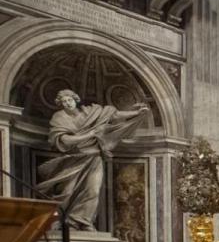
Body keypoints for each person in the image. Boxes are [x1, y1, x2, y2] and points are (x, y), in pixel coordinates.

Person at [35, 90, 150, 230]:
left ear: (75, 100)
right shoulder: (59, 117)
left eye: (69, 100)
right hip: (73, 159)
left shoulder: (91, 112)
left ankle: (80, 221)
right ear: (60, 104)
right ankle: (57, 219)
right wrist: (89, 135)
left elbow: (114, 115)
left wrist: (136, 113)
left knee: (93, 191)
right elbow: (65, 140)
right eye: (64, 102)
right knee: (67, 192)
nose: (67, 104)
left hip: (94, 158)